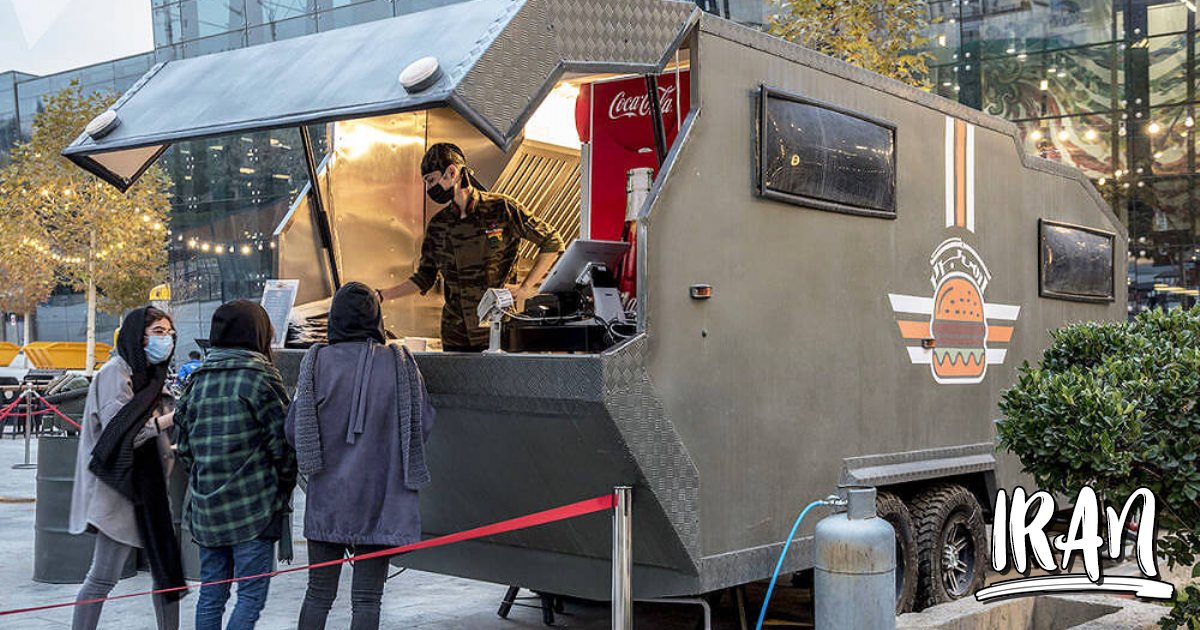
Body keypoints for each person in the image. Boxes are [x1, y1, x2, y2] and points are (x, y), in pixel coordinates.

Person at [286, 282, 435, 630]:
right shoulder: (401, 363)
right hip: (382, 498)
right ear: (376, 318)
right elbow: (423, 425)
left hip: (328, 497)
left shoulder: (316, 362)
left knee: (318, 594)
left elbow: (294, 431)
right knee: (368, 599)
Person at [175, 300, 296, 630]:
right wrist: (280, 489)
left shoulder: (196, 381)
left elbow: (184, 450)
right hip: (253, 511)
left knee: (211, 595)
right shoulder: (261, 379)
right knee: (250, 597)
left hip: (207, 512)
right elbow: (283, 447)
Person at [376, 143, 564, 351]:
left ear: (452, 172)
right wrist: (381, 296)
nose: (429, 189)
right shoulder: (439, 225)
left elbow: (552, 241)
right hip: (455, 334)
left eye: (431, 180)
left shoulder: (501, 208)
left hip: (498, 328)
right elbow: (424, 277)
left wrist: (525, 288)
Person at [69, 306, 186, 630]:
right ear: (138, 335)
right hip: (120, 490)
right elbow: (121, 433)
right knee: (103, 577)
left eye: (170, 333)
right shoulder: (114, 373)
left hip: (152, 490)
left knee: (166, 577)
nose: (166, 340)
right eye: (158, 332)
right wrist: (171, 418)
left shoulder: (153, 376)